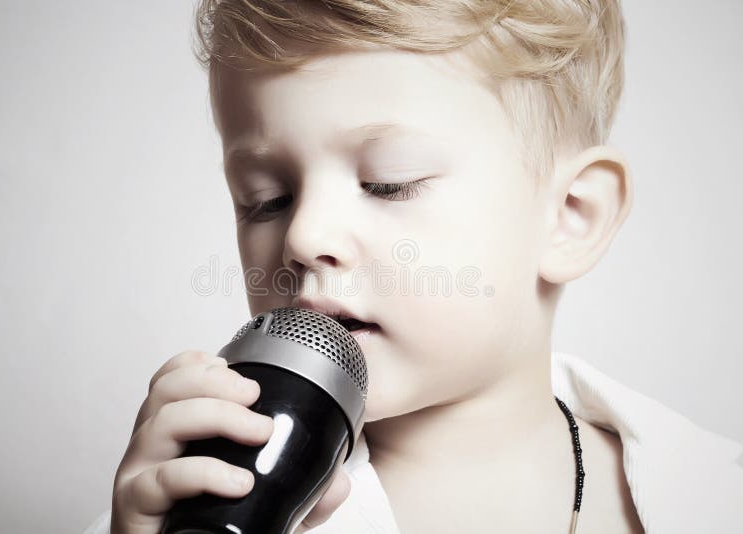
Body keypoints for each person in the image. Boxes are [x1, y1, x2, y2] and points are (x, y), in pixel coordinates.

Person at [85, 1, 743, 532]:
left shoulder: (714, 495)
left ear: (571, 213)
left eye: (388, 183)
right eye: (266, 199)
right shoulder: (208, 506)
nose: (304, 235)